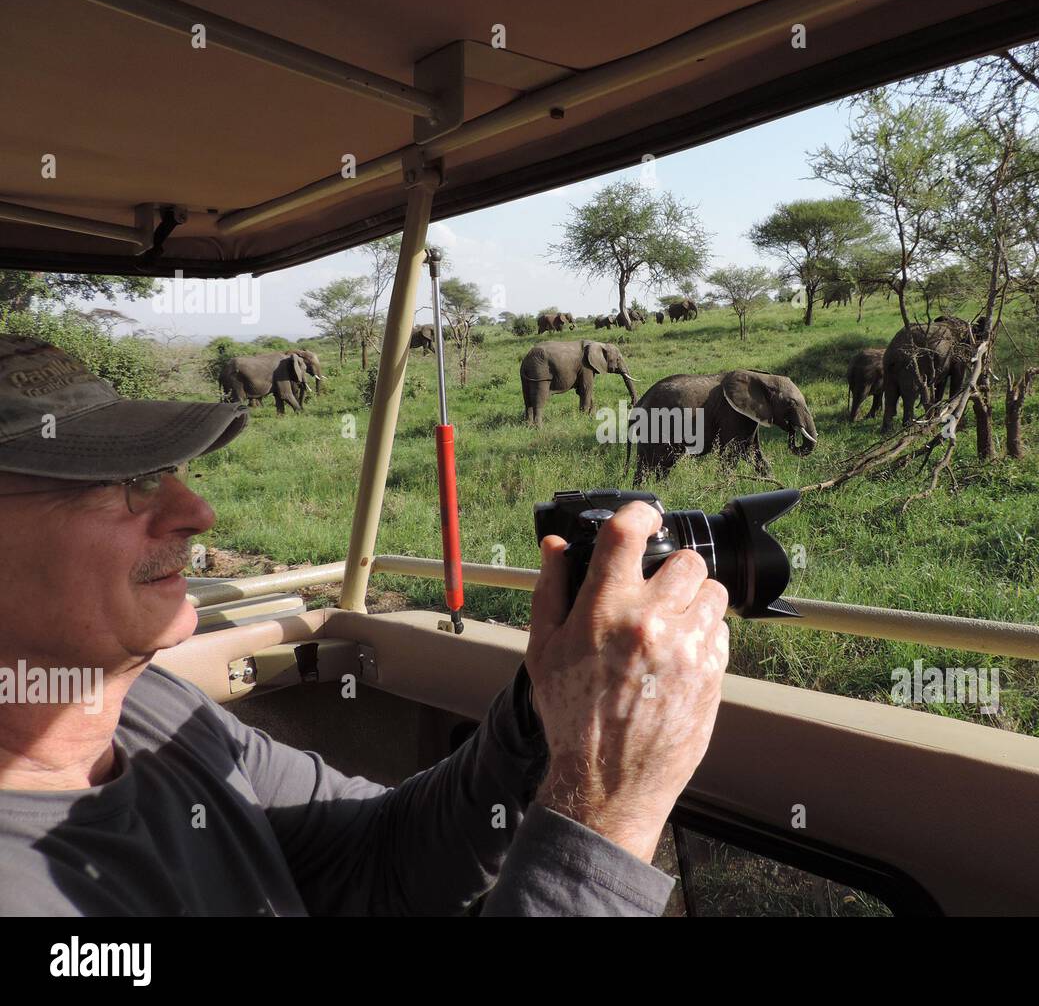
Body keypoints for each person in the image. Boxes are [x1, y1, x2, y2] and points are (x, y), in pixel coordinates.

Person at [0, 335, 729, 916]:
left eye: (165, 472)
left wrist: (552, 702)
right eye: (121, 484)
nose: (196, 514)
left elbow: (380, 855)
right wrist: (607, 806)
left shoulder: (145, 707)